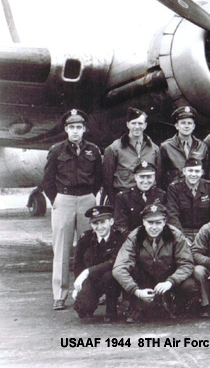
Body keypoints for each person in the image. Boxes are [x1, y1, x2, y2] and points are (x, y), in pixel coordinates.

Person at [42, 109, 103, 310]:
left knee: (90, 247)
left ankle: (90, 290)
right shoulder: (56, 150)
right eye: (71, 127)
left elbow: (98, 178)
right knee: (61, 248)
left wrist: (91, 196)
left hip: (87, 199)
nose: (75, 131)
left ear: (84, 129)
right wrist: (57, 200)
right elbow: (47, 180)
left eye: (79, 127)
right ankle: (59, 295)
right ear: (66, 129)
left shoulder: (93, 150)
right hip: (64, 199)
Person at [112, 203, 197, 323]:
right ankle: (136, 306)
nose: (154, 227)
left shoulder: (175, 235)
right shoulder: (134, 237)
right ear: (143, 222)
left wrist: (170, 282)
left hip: (168, 278)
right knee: (130, 274)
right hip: (144, 280)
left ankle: (176, 306)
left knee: (189, 285)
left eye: (158, 223)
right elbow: (119, 268)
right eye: (150, 222)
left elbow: (186, 263)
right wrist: (137, 291)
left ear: (164, 222)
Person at [72, 205, 126, 322]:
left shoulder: (120, 237)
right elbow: (78, 264)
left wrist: (87, 271)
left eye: (103, 222)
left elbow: (114, 262)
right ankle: (89, 305)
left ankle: (111, 309)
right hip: (92, 278)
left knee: (109, 276)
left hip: (112, 278)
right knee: (83, 309)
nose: (99, 227)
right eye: (95, 223)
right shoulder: (85, 239)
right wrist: (78, 286)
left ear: (111, 222)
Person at [102, 107, 161, 207]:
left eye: (140, 123)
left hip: (147, 199)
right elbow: (107, 179)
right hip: (124, 200)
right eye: (133, 123)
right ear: (127, 124)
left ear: (145, 125)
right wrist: (114, 202)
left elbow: (158, 176)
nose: (137, 127)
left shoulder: (154, 149)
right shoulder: (114, 148)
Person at [165, 158, 210, 240]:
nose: (193, 174)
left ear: (202, 172)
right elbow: (172, 215)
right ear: (184, 171)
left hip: (205, 233)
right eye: (190, 171)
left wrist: (207, 235)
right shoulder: (174, 188)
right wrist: (182, 238)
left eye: (197, 171)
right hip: (182, 233)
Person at [160, 106, 208, 189]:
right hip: (174, 192)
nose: (186, 126)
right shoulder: (166, 147)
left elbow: (205, 172)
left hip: (196, 191)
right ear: (176, 126)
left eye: (189, 123)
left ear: (193, 126)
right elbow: (161, 175)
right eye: (183, 123)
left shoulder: (202, 146)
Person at [114, 161, 165, 235]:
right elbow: (121, 225)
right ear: (135, 177)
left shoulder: (161, 195)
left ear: (154, 177)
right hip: (132, 238)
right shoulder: (123, 197)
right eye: (142, 177)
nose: (145, 181)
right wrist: (134, 239)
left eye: (149, 177)